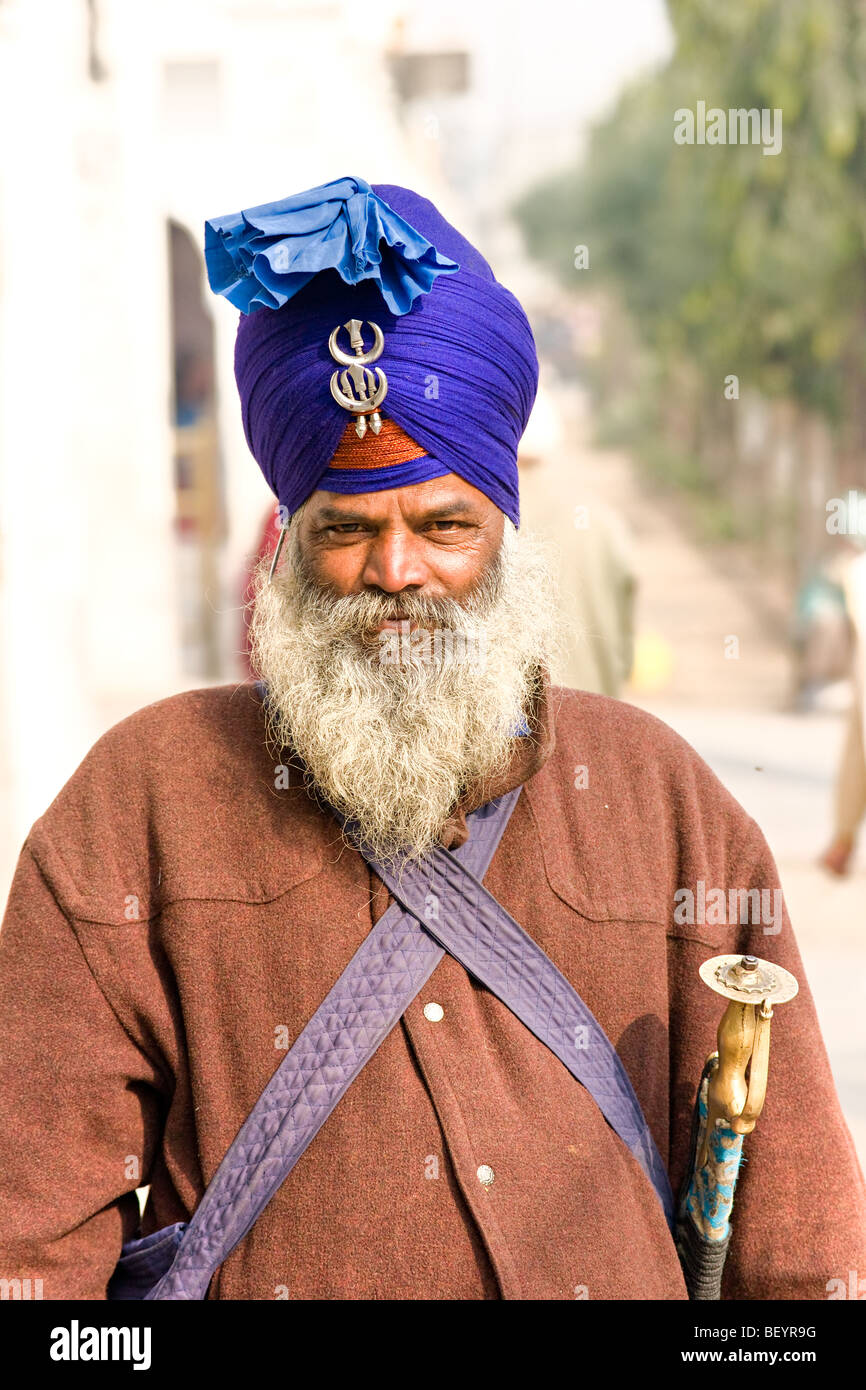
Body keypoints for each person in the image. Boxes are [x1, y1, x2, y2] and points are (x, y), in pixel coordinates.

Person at [0, 177, 863, 1301]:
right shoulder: (138, 809)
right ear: (284, 546)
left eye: (443, 526)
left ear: (503, 532)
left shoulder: (662, 804)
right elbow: (33, 1267)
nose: (397, 572)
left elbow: (800, 1262)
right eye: (346, 529)